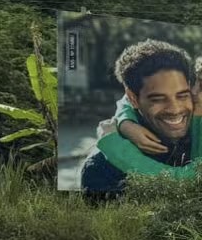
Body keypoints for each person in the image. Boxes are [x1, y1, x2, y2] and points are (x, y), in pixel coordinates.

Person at [97, 47, 202, 189]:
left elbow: (178, 181)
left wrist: (114, 146)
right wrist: (127, 123)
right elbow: (130, 98)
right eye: (195, 82)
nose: (192, 91)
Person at [79, 41, 194, 195]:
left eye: (182, 95)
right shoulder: (102, 168)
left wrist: (124, 122)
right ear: (133, 98)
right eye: (158, 99)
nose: (175, 109)